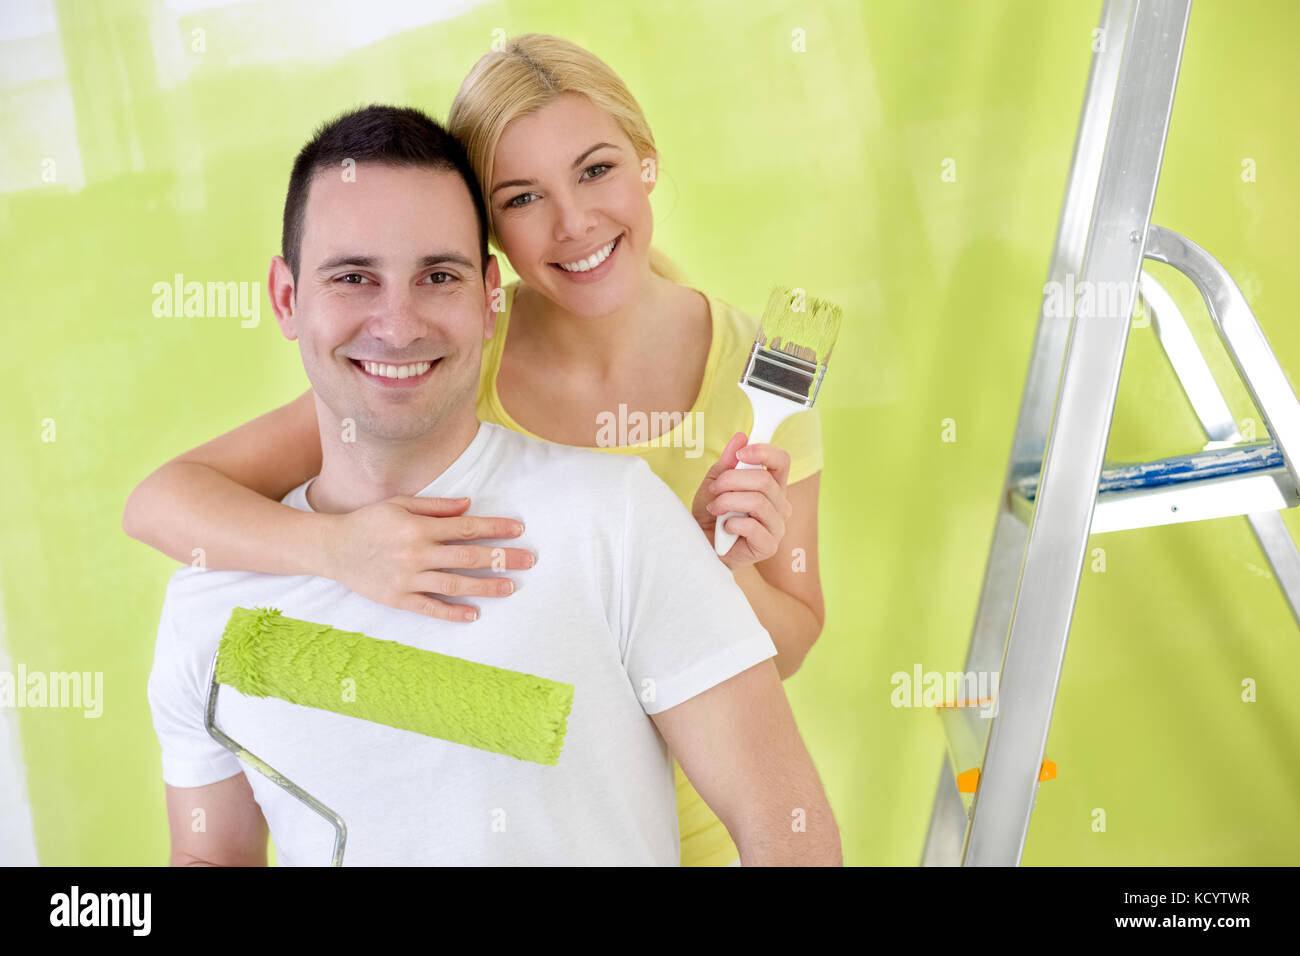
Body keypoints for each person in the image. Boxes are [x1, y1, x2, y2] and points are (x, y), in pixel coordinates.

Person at [124, 34, 826, 868]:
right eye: (523, 197)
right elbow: (165, 501)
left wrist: (727, 570)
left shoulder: (744, 392)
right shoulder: (427, 369)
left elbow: (791, 650)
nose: (574, 223)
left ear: (647, 165)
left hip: (691, 811)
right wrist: (337, 550)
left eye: (597, 170)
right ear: (492, 247)